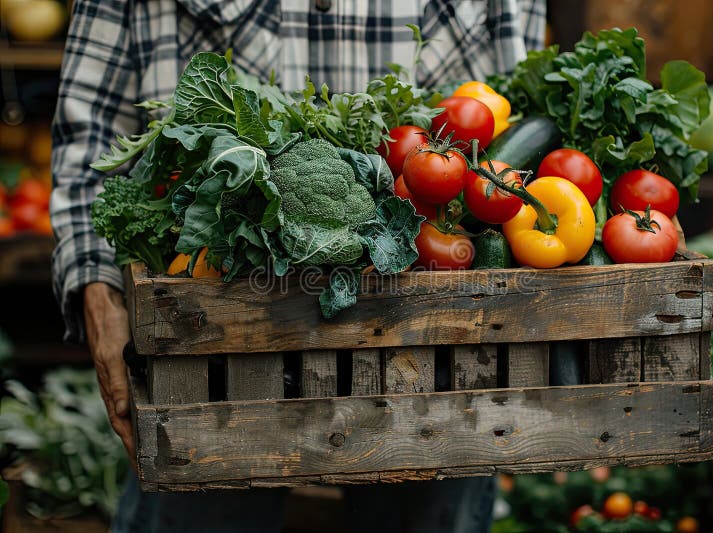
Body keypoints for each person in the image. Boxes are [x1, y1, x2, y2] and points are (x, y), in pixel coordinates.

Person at [51, 1, 547, 531]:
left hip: (433, 364)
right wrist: (98, 293)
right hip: (208, 361)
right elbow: (89, 135)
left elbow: (519, 114)